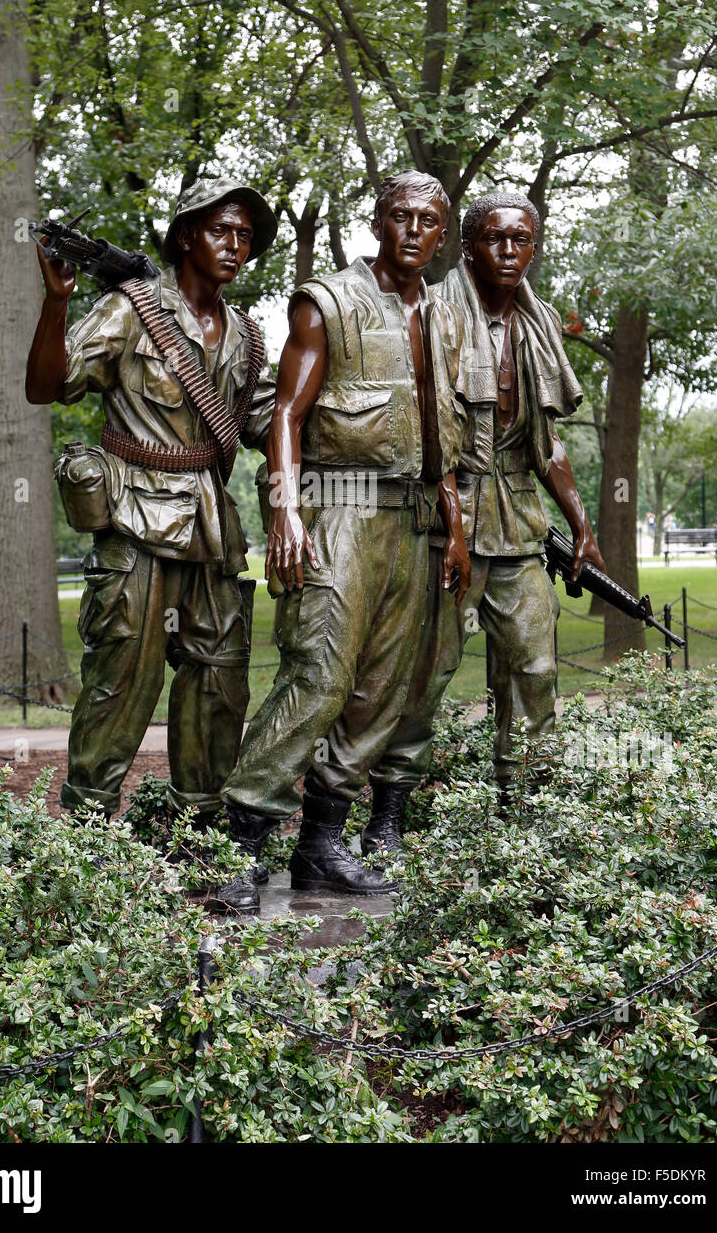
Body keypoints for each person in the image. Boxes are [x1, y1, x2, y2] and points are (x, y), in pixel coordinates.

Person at [212, 171, 472, 912]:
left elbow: (443, 431)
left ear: (442, 232)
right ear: (378, 221)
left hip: (416, 519)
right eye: (401, 217)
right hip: (340, 505)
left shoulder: (444, 316)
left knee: (379, 693)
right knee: (319, 677)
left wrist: (453, 525)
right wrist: (287, 512)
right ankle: (240, 845)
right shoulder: (326, 300)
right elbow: (287, 415)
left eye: (429, 220)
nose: (415, 231)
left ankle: (323, 844)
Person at [25, 177, 277, 824]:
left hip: (212, 532)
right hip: (134, 521)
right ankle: (85, 838)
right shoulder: (130, 309)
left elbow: (272, 423)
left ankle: (201, 831)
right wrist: (56, 304)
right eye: (220, 230)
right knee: (120, 686)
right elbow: (50, 385)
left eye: (245, 235)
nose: (234, 245)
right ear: (187, 234)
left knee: (219, 684)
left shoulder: (248, 335)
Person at [367, 190, 605, 833]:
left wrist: (580, 521)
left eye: (521, 239)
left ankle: (527, 808)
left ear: (534, 246)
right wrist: (451, 520)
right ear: (467, 246)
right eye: (494, 239)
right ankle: (388, 810)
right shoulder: (434, 309)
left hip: (520, 519)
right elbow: (417, 426)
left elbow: (544, 441)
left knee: (535, 663)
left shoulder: (539, 324)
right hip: (448, 518)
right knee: (429, 667)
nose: (509, 251)